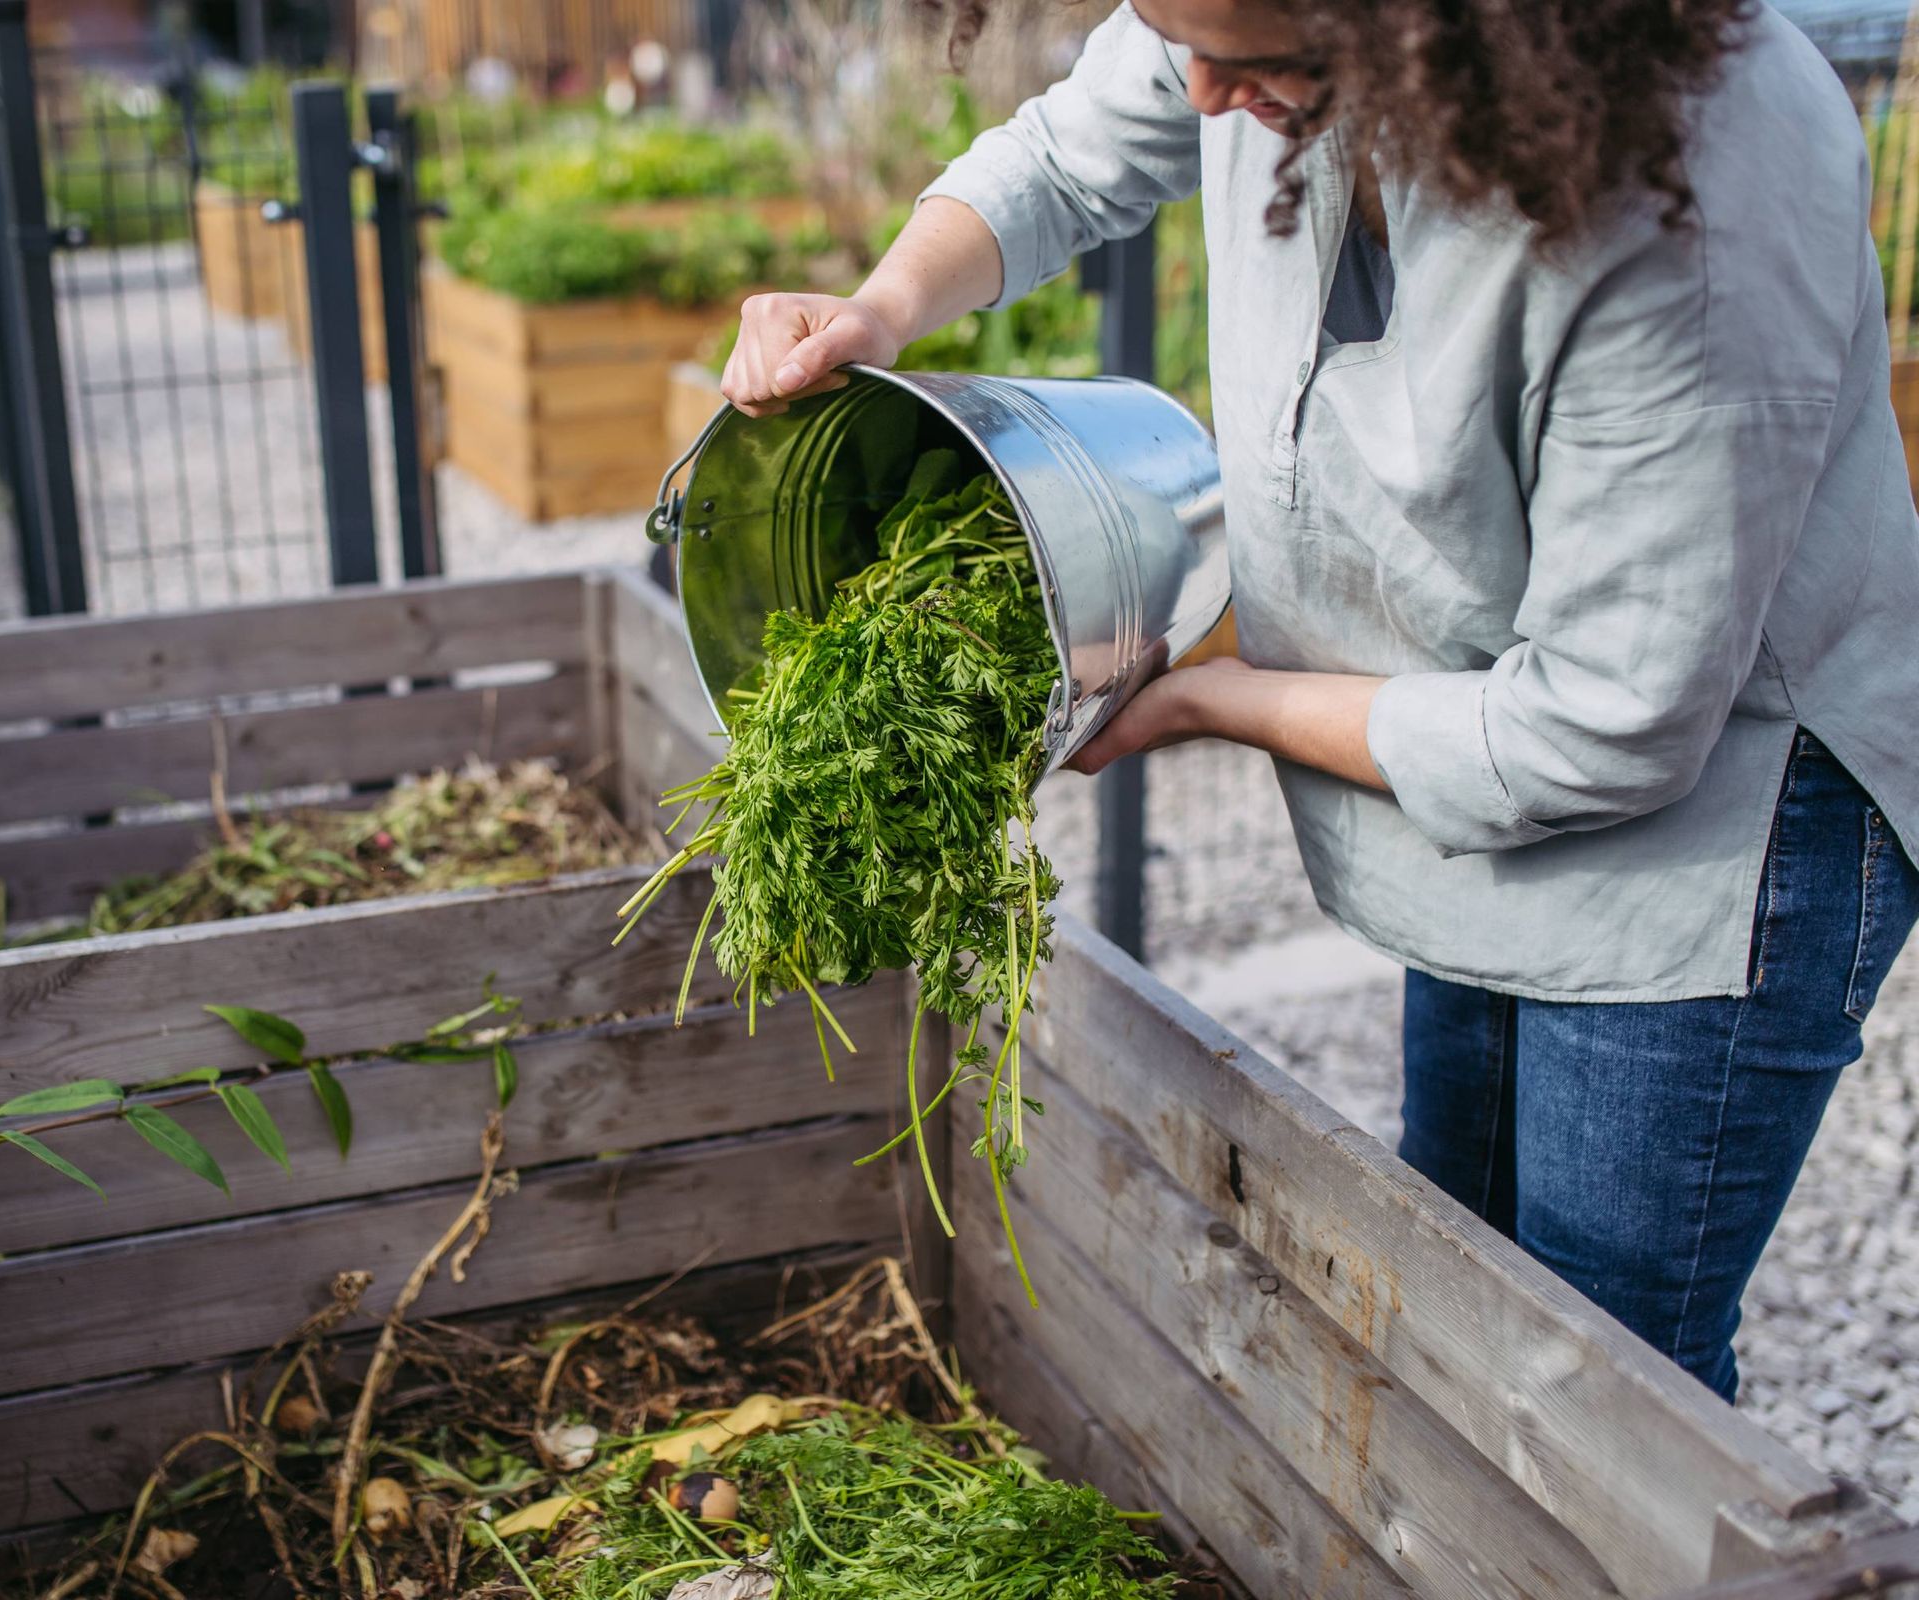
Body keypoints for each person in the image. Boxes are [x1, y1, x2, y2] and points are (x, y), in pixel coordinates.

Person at [719, 0, 1919, 1403]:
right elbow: (1067, 152)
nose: (1204, 90)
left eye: (1268, 60)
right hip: (1465, 757)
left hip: (1705, 843)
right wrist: (882, 306)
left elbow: (1603, 725)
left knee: (1602, 1393)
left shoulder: (1698, 184)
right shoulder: (1270, 30)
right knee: (1464, 1300)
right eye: (1182, 37)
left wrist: (1221, 701)